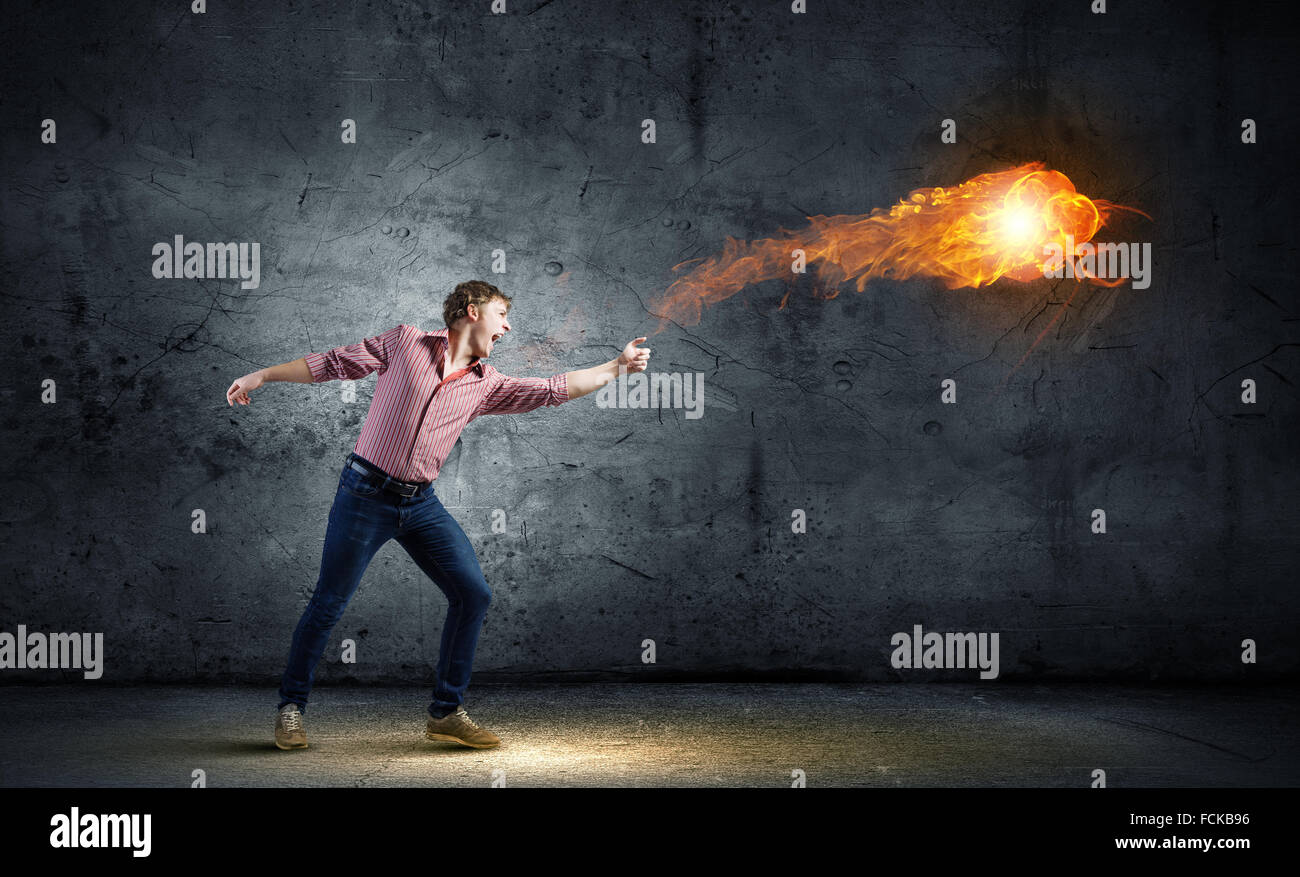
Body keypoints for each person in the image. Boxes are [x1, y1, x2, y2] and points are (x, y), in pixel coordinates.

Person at [224, 280, 650, 749]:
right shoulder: (404, 342)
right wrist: (262, 375)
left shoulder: (487, 386)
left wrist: (616, 366)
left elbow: (552, 389)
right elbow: (332, 363)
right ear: (471, 311)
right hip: (364, 495)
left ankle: (446, 712)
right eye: (502, 314)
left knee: (473, 595)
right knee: (328, 604)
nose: (507, 326)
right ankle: (291, 708)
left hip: (420, 504)